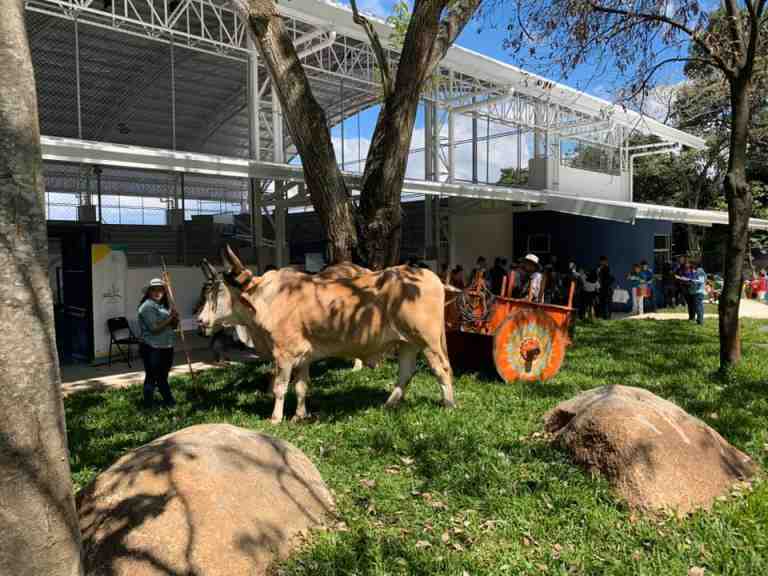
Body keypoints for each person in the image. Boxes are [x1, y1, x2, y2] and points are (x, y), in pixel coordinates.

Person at [138, 278, 178, 409]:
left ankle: (169, 401)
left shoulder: (162, 307)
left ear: (164, 292)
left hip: (166, 346)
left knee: (162, 377)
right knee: (152, 376)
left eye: (160, 290)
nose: (157, 292)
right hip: (152, 347)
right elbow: (154, 328)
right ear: (149, 292)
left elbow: (172, 327)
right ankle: (148, 405)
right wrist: (170, 318)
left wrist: (175, 319)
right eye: (154, 290)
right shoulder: (147, 307)